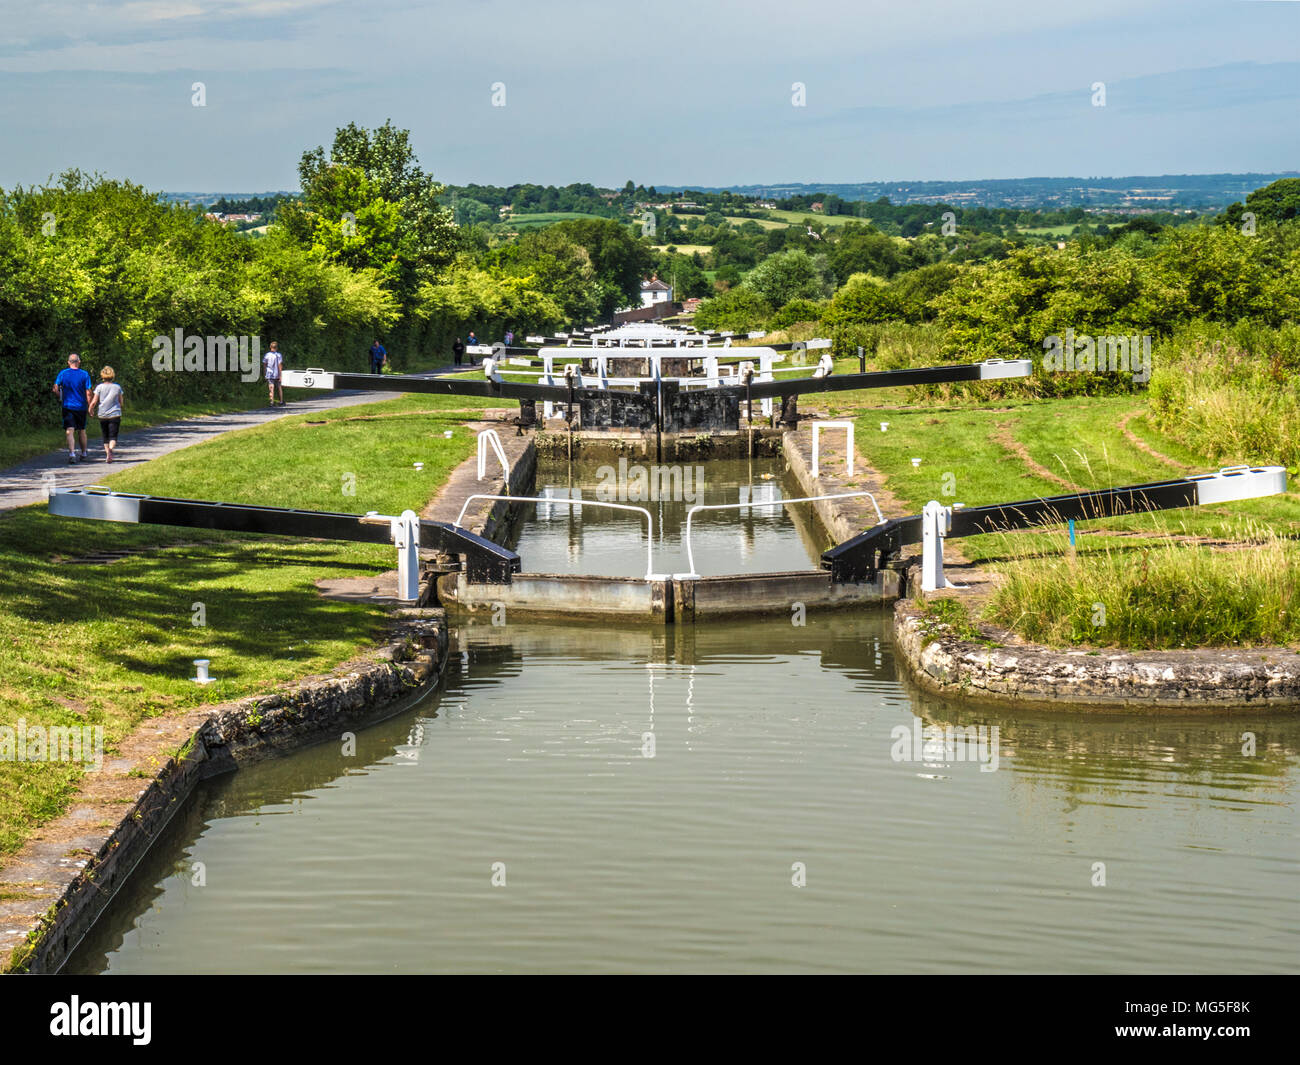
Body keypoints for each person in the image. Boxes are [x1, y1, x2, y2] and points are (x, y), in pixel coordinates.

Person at [52, 353, 93, 463]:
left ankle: (72, 454)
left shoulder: (63, 373)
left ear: (68, 362)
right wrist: (90, 406)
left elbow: (55, 388)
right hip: (81, 406)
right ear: (79, 362)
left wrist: (60, 396)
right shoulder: (84, 374)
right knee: (82, 430)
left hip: (68, 406)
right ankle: (84, 453)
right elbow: (88, 392)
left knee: (69, 430)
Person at [87, 365, 124, 463]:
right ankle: (111, 450)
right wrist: (119, 407)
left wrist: (90, 408)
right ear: (113, 376)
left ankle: (108, 453)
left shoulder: (99, 387)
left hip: (102, 415)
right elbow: (121, 402)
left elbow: (94, 401)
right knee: (113, 436)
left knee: (105, 436)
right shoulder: (117, 387)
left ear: (102, 376)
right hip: (115, 414)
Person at [264, 341, 284, 406]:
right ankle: (281, 401)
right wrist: (280, 375)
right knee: (279, 387)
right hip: (277, 374)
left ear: (270, 347)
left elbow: (264, 364)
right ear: (276, 347)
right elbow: (280, 365)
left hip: (269, 373)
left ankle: (271, 402)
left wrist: (265, 373)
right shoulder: (278, 355)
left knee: (271, 388)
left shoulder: (267, 355)